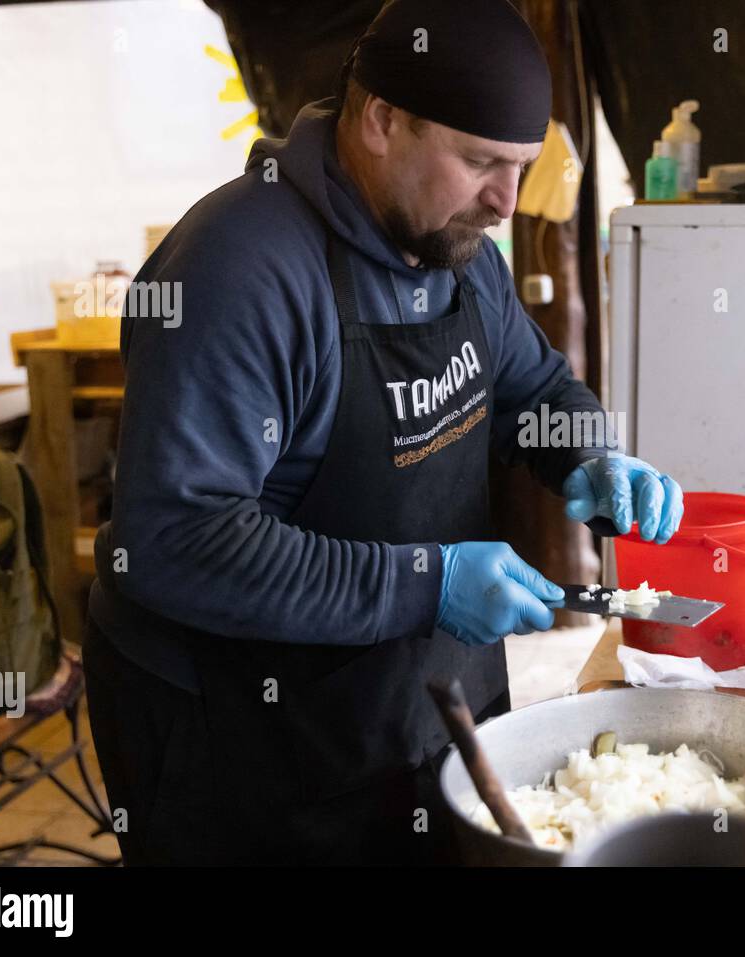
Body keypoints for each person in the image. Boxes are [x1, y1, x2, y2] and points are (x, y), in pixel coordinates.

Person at [83, 0, 683, 865]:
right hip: (239, 731)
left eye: (521, 167)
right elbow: (177, 539)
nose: (507, 204)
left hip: (404, 692)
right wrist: (423, 583)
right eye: (481, 162)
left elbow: (532, 384)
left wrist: (586, 448)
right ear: (379, 121)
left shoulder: (456, 246)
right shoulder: (239, 272)